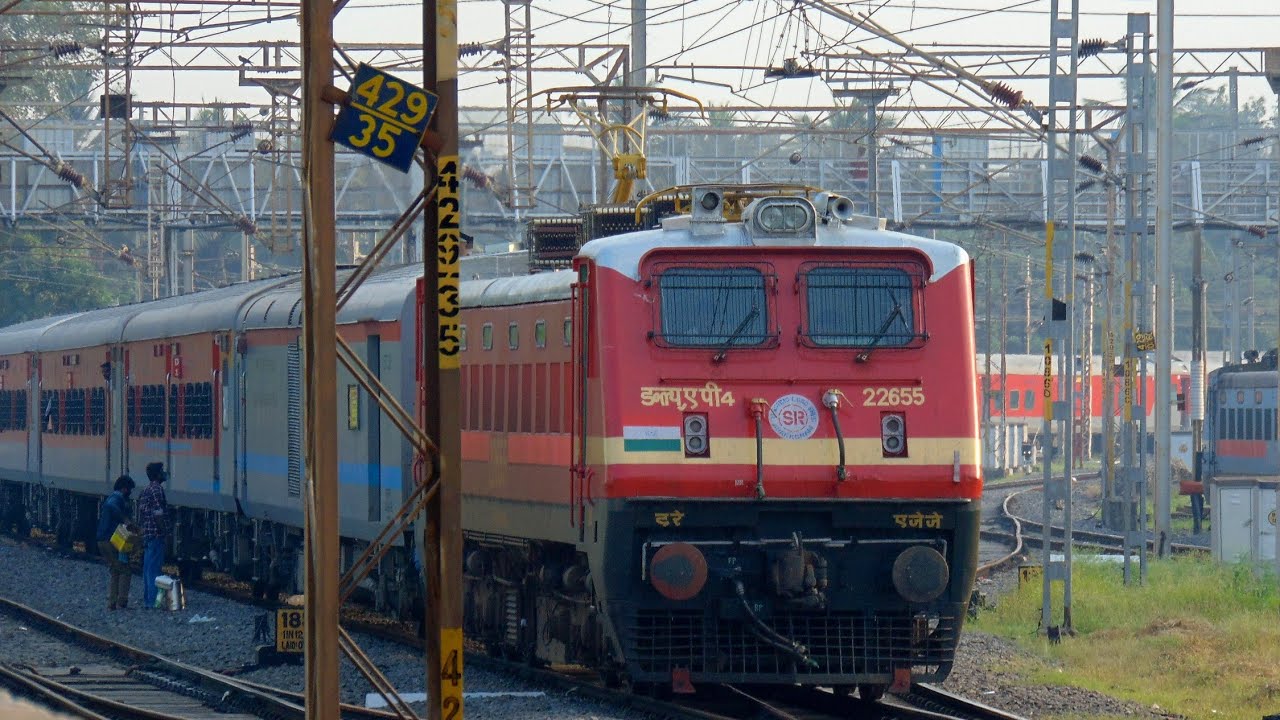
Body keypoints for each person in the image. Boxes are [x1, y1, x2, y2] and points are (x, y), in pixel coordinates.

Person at [95, 475, 135, 610]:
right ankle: (122, 601)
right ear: (124, 489)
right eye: (129, 490)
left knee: (115, 570)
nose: (130, 493)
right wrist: (126, 520)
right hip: (110, 540)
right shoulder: (116, 498)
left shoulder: (112, 497)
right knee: (125, 570)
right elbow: (111, 507)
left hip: (102, 540)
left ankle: (112, 602)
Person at [137, 462, 171, 608]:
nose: (164, 473)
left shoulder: (146, 490)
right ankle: (152, 602)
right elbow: (158, 513)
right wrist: (164, 531)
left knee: (147, 568)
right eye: (162, 471)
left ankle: (148, 599)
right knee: (154, 569)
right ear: (157, 474)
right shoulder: (157, 490)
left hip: (148, 533)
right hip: (156, 534)